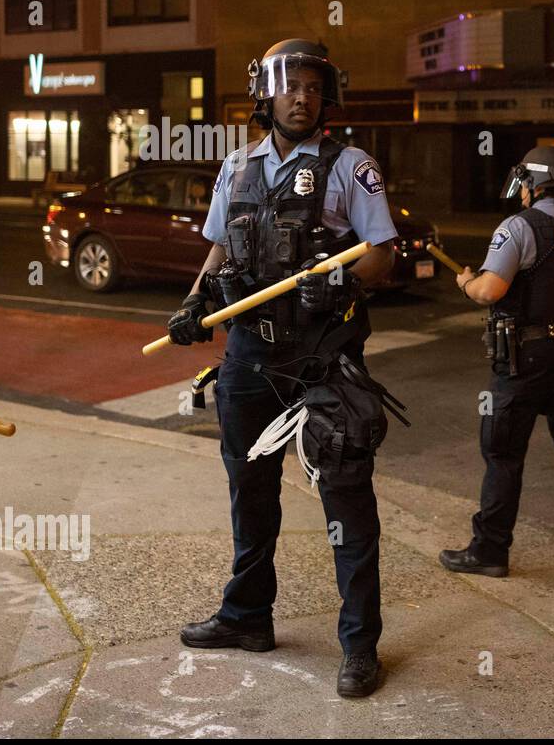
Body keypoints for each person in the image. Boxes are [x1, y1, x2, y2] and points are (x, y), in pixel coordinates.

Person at [171, 39, 399, 699]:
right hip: (249, 356)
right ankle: (247, 618)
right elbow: (219, 248)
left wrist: (341, 270)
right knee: (250, 491)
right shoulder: (237, 166)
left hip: (324, 358)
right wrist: (194, 302)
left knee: (347, 501)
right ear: (265, 92)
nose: (301, 97)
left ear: (328, 95)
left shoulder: (351, 167)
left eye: (312, 87)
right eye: (289, 85)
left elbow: (383, 259)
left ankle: (360, 646)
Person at [439, 146, 554, 577]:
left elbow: (490, 291)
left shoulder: (519, 227)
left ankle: (490, 551)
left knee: (503, 453)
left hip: (527, 357)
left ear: (535, 185)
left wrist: (466, 283)